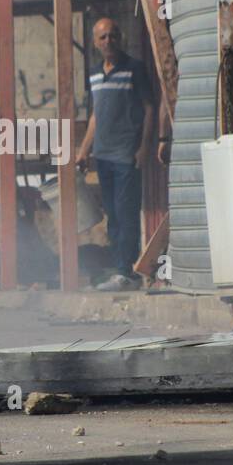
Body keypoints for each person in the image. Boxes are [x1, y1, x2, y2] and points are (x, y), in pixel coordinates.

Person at [75, 17, 156, 291]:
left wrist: (144, 147)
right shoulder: (95, 74)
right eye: (102, 37)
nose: (108, 41)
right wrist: (83, 151)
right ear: (95, 43)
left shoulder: (134, 69)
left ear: (119, 38)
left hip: (127, 153)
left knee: (126, 212)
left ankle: (127, 271)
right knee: (111, 214)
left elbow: (149, 108)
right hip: (104, 155)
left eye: (112, 36)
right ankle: (120, 266)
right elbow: (95, 116)